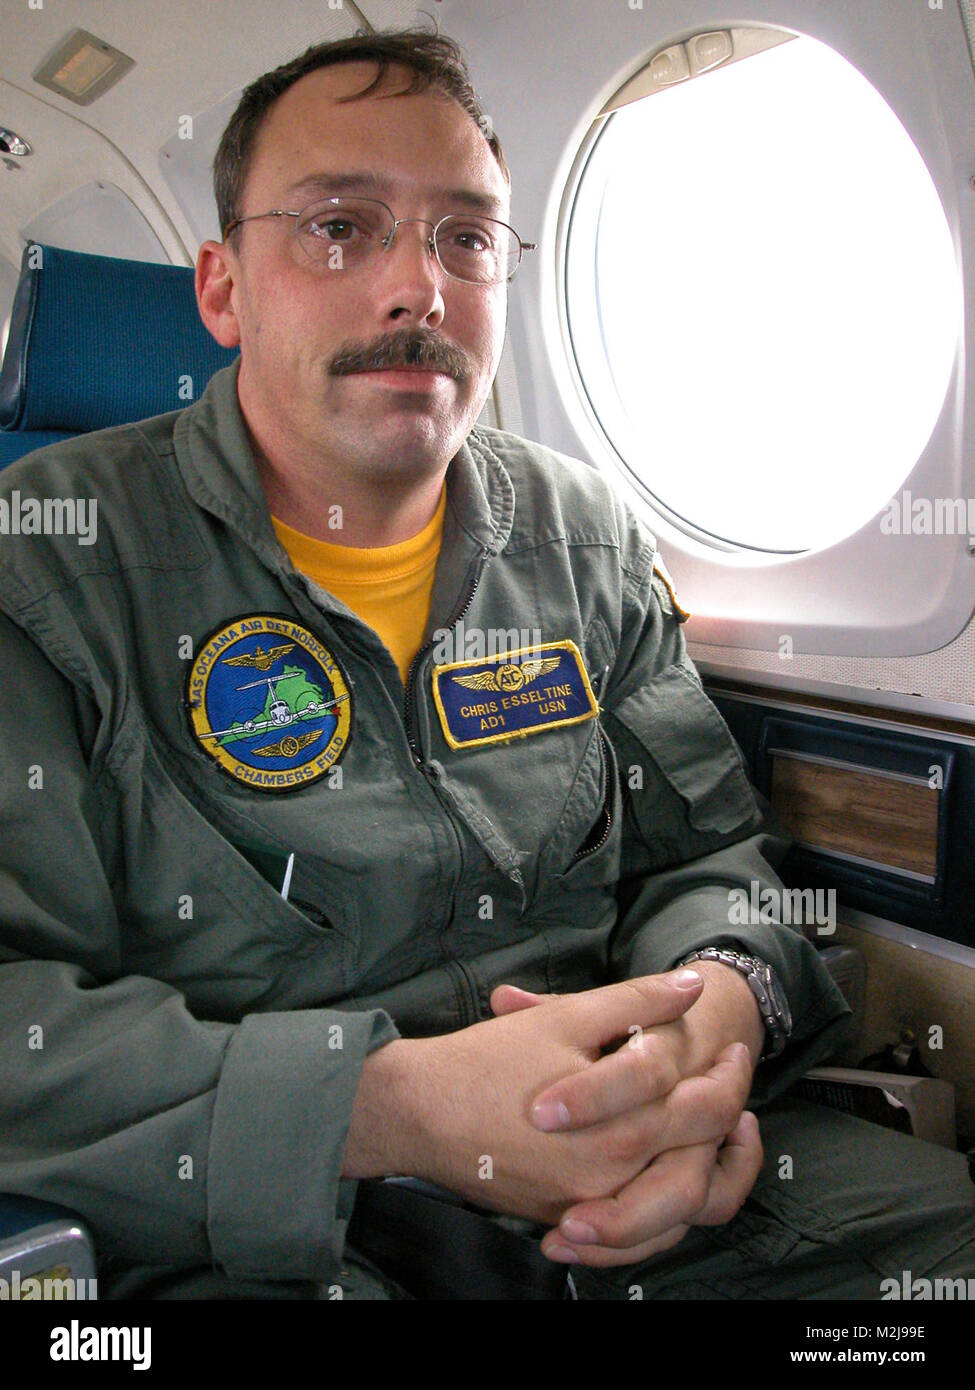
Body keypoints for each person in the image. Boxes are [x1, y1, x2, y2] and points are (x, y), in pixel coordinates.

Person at [0, 28, 972, 1301]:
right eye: (342, 228)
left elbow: (710, 860)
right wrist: (385, 1107)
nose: (420, 289)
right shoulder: (51, 563)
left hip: (651, 1186)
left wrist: (714, 1029)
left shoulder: (586, 539)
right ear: (224, 288)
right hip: (277, 1231)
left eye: (466, 238)